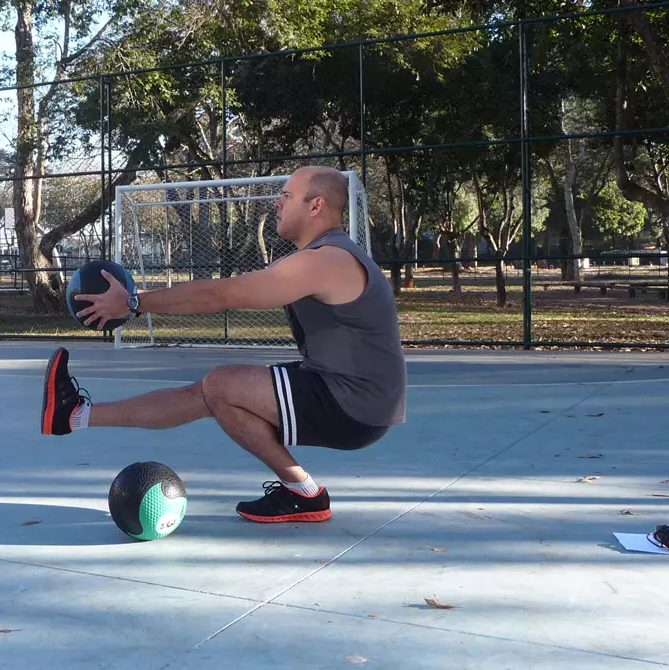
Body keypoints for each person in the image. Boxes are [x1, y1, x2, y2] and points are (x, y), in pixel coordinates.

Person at [40, 166, 407, 523]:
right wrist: (134, 300)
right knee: (204, 394)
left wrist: (134, 302)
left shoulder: (328, 260)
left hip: (354, 403)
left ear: (316, 206)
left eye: (287, 196)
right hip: (345, 393)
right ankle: (73, 416)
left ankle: (303, 493)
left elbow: (221, 294)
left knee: (221, 384)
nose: (277, 203)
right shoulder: (326, 256)